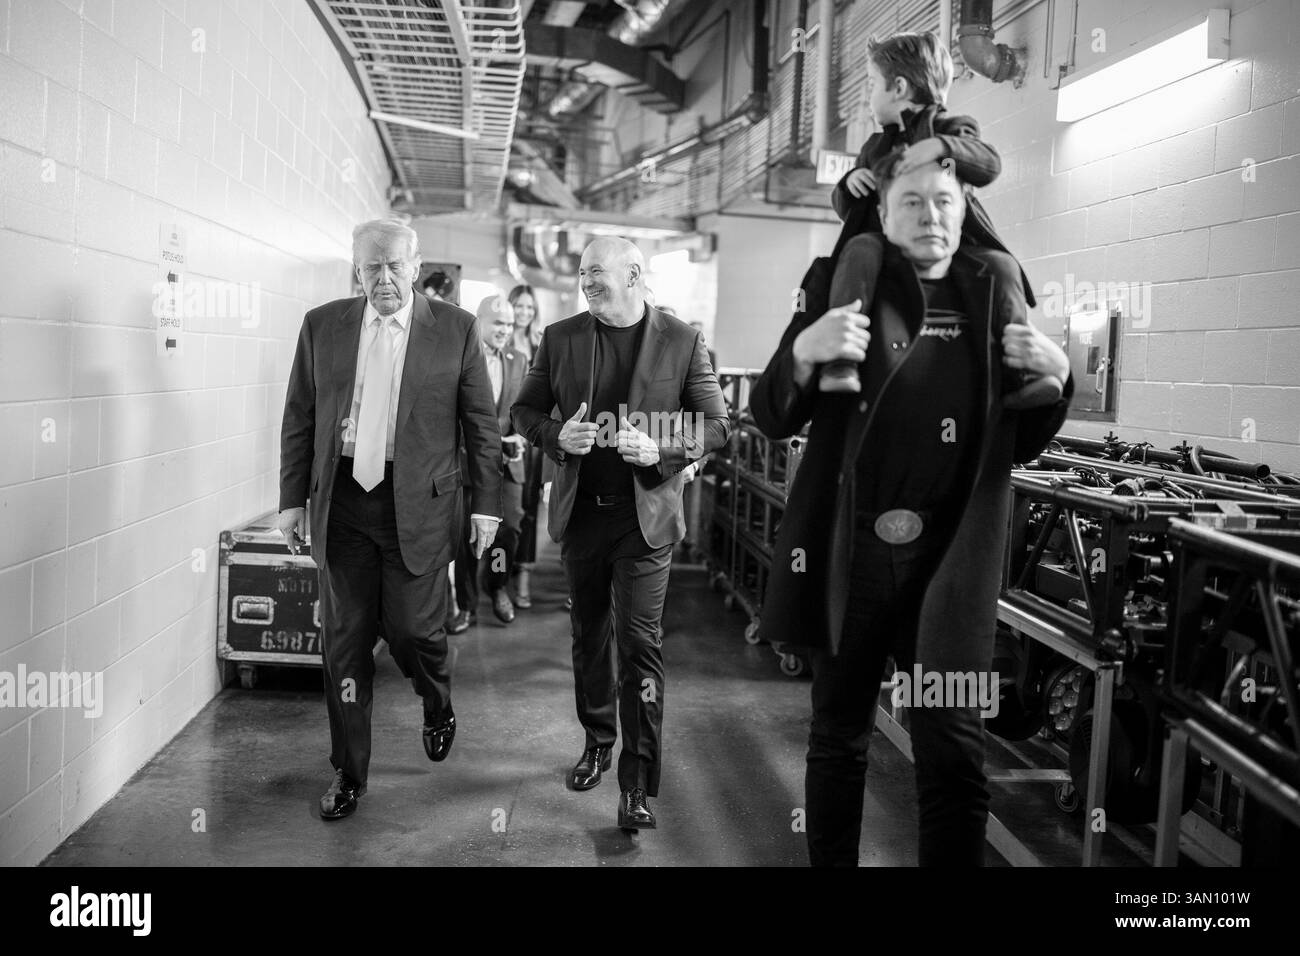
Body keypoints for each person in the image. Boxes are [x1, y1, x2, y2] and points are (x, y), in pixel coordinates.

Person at [749, 154, 1072, 866]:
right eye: (913, 201)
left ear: (965, 210)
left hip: (949, 563)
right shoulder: (843, 286)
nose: (931, 215)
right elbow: (770, 412)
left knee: (953, 750)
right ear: (885, 213)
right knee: (839, 738)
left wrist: (1059, 380)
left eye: (945, 201)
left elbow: (1021, 442)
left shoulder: (994, 292)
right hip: (853, 557)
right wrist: (805, 349)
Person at [277, 219, 503, 821]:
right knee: (344, 644)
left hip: (421, 506)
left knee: (412, 632)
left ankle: (436, 700)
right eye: (371, 267)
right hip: (344, 501)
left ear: (416, 264)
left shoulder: (455, 330)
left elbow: (481, 426)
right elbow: (300, 415)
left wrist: (485, 505)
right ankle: (349, 772)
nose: (383, 279)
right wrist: (292, 499)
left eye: (395, 266)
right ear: (356, 269)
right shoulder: (323, 325)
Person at [511, 237, 729, 830]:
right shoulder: (560, 338)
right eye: (582, 271)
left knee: (639, 645)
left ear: (634, 274)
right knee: (588, 635)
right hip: (582, 517)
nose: (586, 281)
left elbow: (717, 426)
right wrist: (557, 436)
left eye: (596, 272)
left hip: (644, 520)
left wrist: (661, 447)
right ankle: (598, 740)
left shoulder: (680, 340)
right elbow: (523, 412)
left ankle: (636, 782)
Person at [831, 31, 1032, 304]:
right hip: (887, 246)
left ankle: (1013, 335)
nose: (869, 96)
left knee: (1001, 266)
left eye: (872, 84)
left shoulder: (951, 130)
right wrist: (850, 184)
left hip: (944, 238)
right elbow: (849, 212)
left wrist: (943, 148)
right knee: (859, 249)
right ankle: (845, 323)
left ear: (899, 88)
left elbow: (988, 165)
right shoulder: (874, 148)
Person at [448, 295, 529, 631]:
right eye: (498, 323)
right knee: (467, 538)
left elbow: (525, 410)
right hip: (468, 465)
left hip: (507, 464)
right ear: (479, 321)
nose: (505, 330)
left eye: (509, 325)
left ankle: (496, 587)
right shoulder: (458, 356)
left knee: (507, 530)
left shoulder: (518, 359)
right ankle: (466, 606)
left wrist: (521, 437)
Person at [506, 284, 544, 610]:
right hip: (502, 438)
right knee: (504, 515)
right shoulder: (498, 341)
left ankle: (523, 577)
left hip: (531, 442)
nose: (524, 313)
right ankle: (497, 576)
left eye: (529, 308)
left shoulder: (540, 345)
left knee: (529, 511)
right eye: (519, 306)